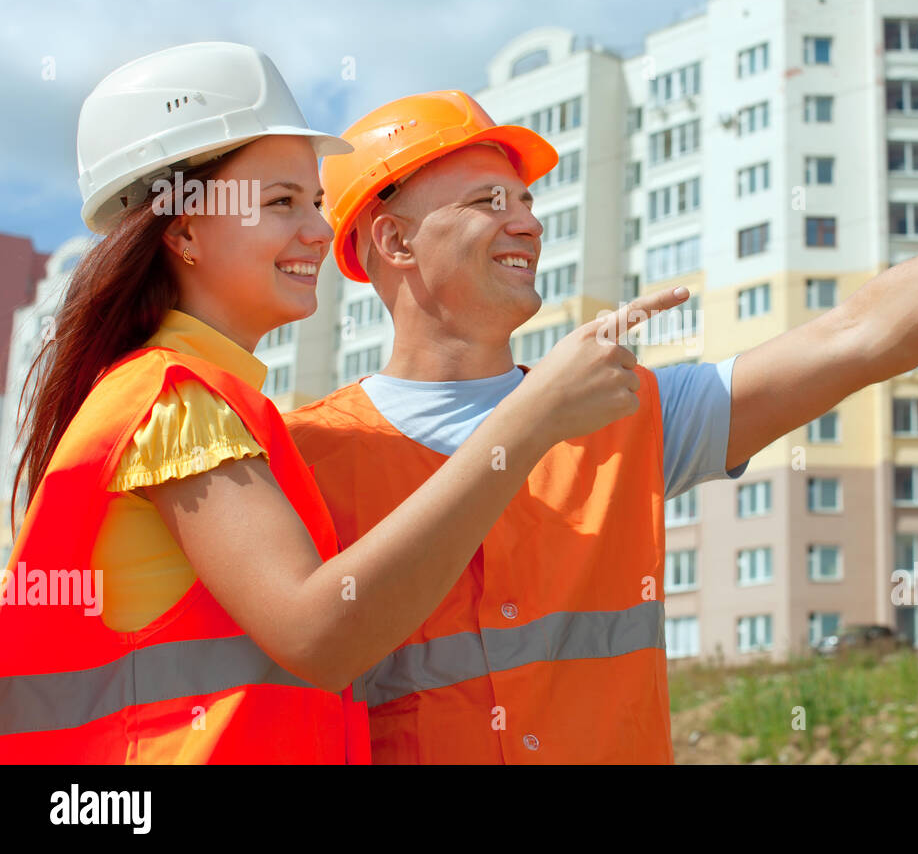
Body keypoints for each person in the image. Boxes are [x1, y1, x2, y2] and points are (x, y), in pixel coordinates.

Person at [288, 68, 918, 764]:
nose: (530, 222)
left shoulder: (624, 413)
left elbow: (864, 333)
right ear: (391, 242)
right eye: (490, 200)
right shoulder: (306, 456)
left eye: (532, 200)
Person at [0, 43, 681, 763]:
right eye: (281, 202)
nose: (321, 232)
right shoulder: (173, 399)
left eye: (316, 203)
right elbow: (320, 634)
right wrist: (529, 417)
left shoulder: (199, 396)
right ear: (186, 230)